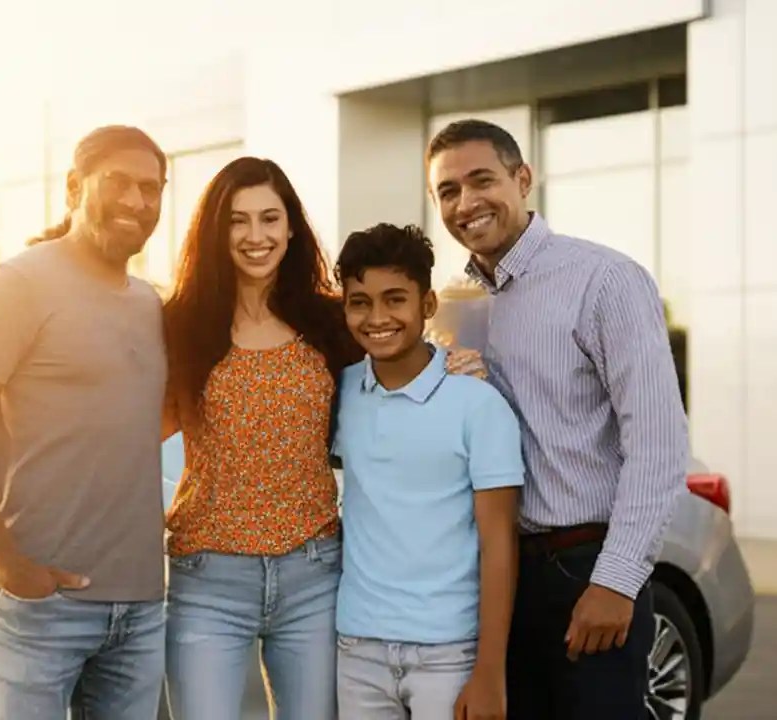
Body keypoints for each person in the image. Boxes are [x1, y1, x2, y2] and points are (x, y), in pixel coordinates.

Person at [425, 118, 689, 719]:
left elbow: (658, 442)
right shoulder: (451, 304)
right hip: (498, 583)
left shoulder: (604, 280)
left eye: (482, 180)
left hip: (584, 567)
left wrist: (616, 581)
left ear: (523, 179)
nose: (466, 203)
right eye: (447, 191)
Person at [0, 124, 170, 720]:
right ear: (73, 187)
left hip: (140, 609)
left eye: (152, 188)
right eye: (120, 182)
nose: (138, 202)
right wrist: (11, 566)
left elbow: (132, 429)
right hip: (40, 610)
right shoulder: (17, 285)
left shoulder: (150, 304)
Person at [161, 156, 361, 720]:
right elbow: (129, 431)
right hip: (208, 580)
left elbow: (399, 384)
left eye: (270, 218)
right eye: (238, 221)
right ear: (215, 231)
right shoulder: (180, 325)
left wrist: (455, 364)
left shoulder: (330, 323)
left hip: (314, 573)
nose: (256, 236)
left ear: (291, 227)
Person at [330, 222, 524, 720]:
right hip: (358, 648)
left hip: (450, 653)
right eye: (360, 301)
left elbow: (498, 544)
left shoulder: (478, 405)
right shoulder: (339, 394)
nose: (377, 317)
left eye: (395, 299)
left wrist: (490, 671)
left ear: (428, 304)